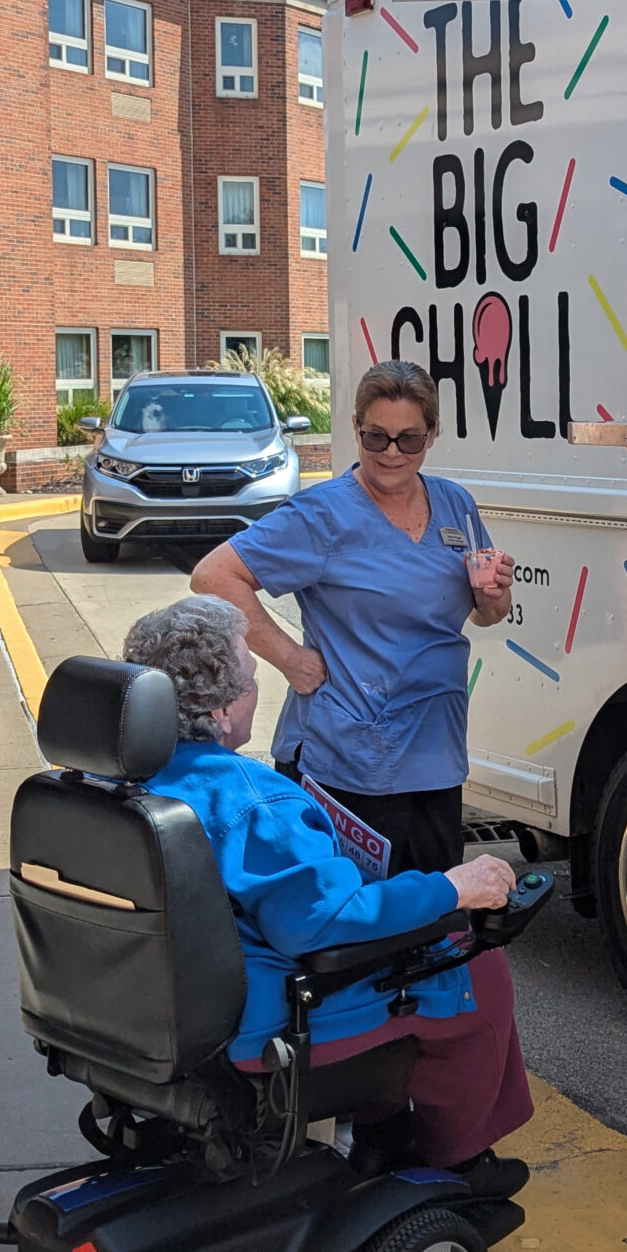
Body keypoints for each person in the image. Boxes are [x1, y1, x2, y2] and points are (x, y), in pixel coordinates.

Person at [122, 595, 534, 1194]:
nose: (256, 691)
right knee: (470, 966)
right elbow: (326, 921)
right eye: (252, 679)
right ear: (220, 710)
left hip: (145, 1006)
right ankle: (455, 1164)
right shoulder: (250, 802)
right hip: (252, 1022)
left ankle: (382, 1133)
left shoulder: (110, 781)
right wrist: (452, 887)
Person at [191, 359, 514, 877]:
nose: (391, 452)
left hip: (436, 751)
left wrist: (494, 593)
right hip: (348, 761)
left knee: (436, 910)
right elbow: (213, 576)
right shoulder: (322, 514)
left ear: (433, 433)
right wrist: (290, 659)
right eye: (375, 436)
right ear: (356, 428)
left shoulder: (455, 505)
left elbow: (489, 614)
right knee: (356, 915)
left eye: (409, 439)